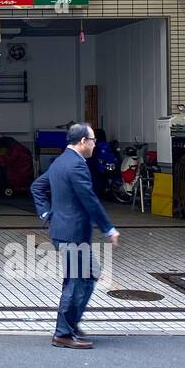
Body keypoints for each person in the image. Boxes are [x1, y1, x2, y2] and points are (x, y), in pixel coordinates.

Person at [31, 122, 120, 350]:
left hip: (65, 231)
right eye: (92, 140)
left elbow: (36, 187)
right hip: (72, 234)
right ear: (82, 142)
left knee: (90, 274)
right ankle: (63, 333)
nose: (94, 144)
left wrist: (47, 213)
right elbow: (89, 200)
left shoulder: (60, 161)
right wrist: (108, 228)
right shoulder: (76, 166)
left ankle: (70, 324)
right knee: (76, 280)